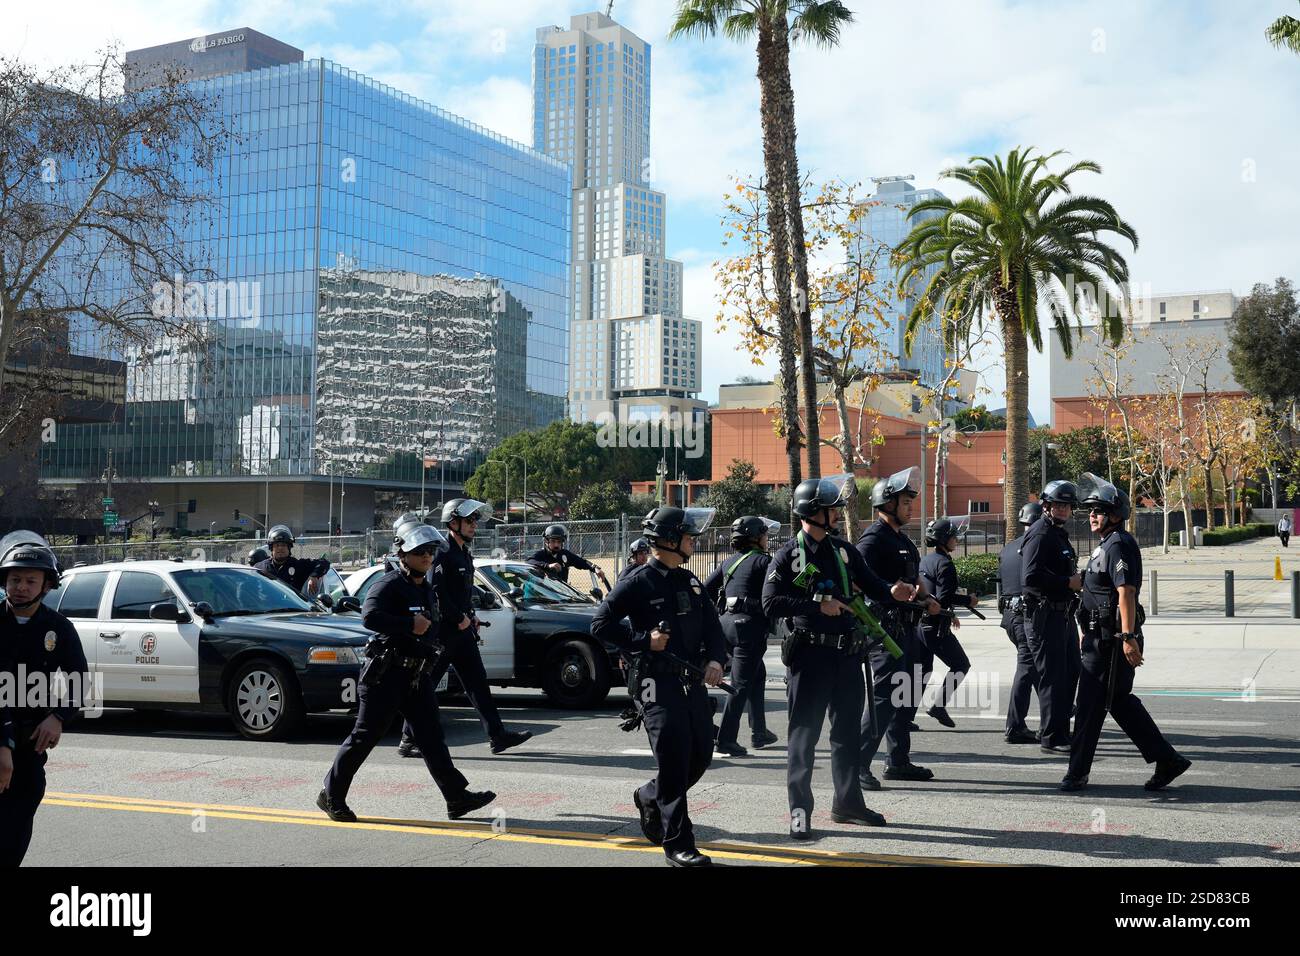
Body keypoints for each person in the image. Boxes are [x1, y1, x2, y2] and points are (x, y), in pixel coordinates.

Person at [764, 474, 915, 840]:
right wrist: (817, 605)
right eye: (832, 509)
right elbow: (770, 602)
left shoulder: (844, 551)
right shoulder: (789, 555)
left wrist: (893, 591)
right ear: (813, 512)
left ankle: (848, 803)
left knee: (846, 735)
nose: (837, 514)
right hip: (810, 657)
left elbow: (874, 585)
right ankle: (799, 813)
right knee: (804, 738)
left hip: (847, 656)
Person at [319, 522, 495, 823]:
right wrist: (408, 624)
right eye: (419, 551)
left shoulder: (425, 587)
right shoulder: (388, 584)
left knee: (431, 736)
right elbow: (370, 617)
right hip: (385, 676)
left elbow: (431, 626)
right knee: (365, 736)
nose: (427, 556)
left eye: (430, 551)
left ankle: (456, 797)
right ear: (403, 554)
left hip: (415, 676)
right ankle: (331, 794)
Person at [592, 506, 726, 867]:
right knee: (673, 760)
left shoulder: (690, 581)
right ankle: (678, 844)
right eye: (686, 535)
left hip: (691, 682)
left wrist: (716, 660)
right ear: (668, 540)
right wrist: (643, 641)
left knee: (700, 755)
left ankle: (650, 796)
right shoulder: (637, 581)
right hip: (655, 682)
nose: (692, 540)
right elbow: (600, 624)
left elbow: (713, 627)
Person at [1062, 474, 1191, 792]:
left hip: (1111, 641)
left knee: (1090, 705)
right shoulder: (1106, 545)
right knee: (1118, 702)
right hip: (1100, 638)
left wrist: (1128, 637)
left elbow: (1126, 592)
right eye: (1091, 511)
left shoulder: (1119, 544)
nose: (1092, 515)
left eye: (1099, 510)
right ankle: (1168, 759)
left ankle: (1077, 773)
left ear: (1116, 515)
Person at [396, 502, 531, 759]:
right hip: (443, 634)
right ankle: (408, 739)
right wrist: (459, 617)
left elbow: (461, 594)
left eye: (474, 521)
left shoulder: (463, 553)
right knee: (425, 686)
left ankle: (497, 736)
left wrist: (471, 616)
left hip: (462, 633)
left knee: (478, 684)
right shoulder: (442, 552)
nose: (474, 526)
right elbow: (437, 592)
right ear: (453, 523)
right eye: (469, 521)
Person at [0, 532, 92, 867]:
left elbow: (79, 678)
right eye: (14, 580)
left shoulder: (59, 628)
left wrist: (59, 716)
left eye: (30, 581)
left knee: (14, 833)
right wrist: (2, 745)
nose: (20, 588)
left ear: (46, 585)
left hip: (29, 748)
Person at [857, 467, 942, 789]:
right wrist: (887, 590)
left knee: (904, 697)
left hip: (907, 628)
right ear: (887, 503)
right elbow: (857, 579)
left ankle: (898, 761)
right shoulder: (873, 539)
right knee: (883, 698)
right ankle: (856, 765)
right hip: (885, 629)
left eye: (910, 502)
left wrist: (927, 598)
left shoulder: (902, 539)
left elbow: (915, 578)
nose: (910, 507)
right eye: (906, 502)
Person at [704, 515, 780, 756]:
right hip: (748, 629)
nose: (767, 539)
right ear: (756, 538)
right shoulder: (764, 561)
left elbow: (705, 589)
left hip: (725, 625)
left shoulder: (729, 562)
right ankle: (726, 740)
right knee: (740, 684)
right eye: (764, 535)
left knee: (757, 675)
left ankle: (760, 731)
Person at [1020, 480, 1083, 754]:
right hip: (1045, 616)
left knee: (1071, 671)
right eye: (1058, 505)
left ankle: (1060, 730)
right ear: (1046, 506)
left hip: (1063, 615)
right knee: (1053, 677)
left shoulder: (1058, 533)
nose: (1063, 509)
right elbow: (1030, 577)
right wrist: (1066, 582)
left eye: (1067, 505)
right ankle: (1052, 737)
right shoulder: (1040, 533)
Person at [918, 517, 979, 728]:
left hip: (919, 625)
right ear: (944, 539)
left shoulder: (925, 560)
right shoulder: (945, 564)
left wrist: (950, 614)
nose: (957, 540)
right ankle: (938, 706)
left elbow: (930, 593)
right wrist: (968, 600)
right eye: (954, 536)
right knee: (961, 664)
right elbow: (944, 597)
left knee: (921, 670)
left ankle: (904, 717)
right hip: (935, 626)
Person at [1001, 502, 1045, 744]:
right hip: (1026, 615)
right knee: (1027, 667)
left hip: (1010, 616)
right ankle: (1015, 726)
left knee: (1034, 665)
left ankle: (1056, 708)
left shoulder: (1008, 548)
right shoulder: (1036, 546)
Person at [527, 524, 611, 592]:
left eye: (559, 542)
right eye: (553, 541)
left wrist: (595, 568)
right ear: (546, 541)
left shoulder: (565, 554)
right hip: (544, 594)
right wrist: (547, 566)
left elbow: (581, 562)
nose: (556, 545)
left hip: (562, 593)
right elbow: (529, 561)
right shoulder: (541, 554)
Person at [254, 525, 330, 595]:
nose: (280, 548)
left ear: (289, 547)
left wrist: (314, 576)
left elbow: (324, 563)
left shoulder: (298, 565)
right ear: (271, 548)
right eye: (277, 545)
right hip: (265, 605)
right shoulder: (259, 567)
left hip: (292, 605)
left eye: (283, 545)